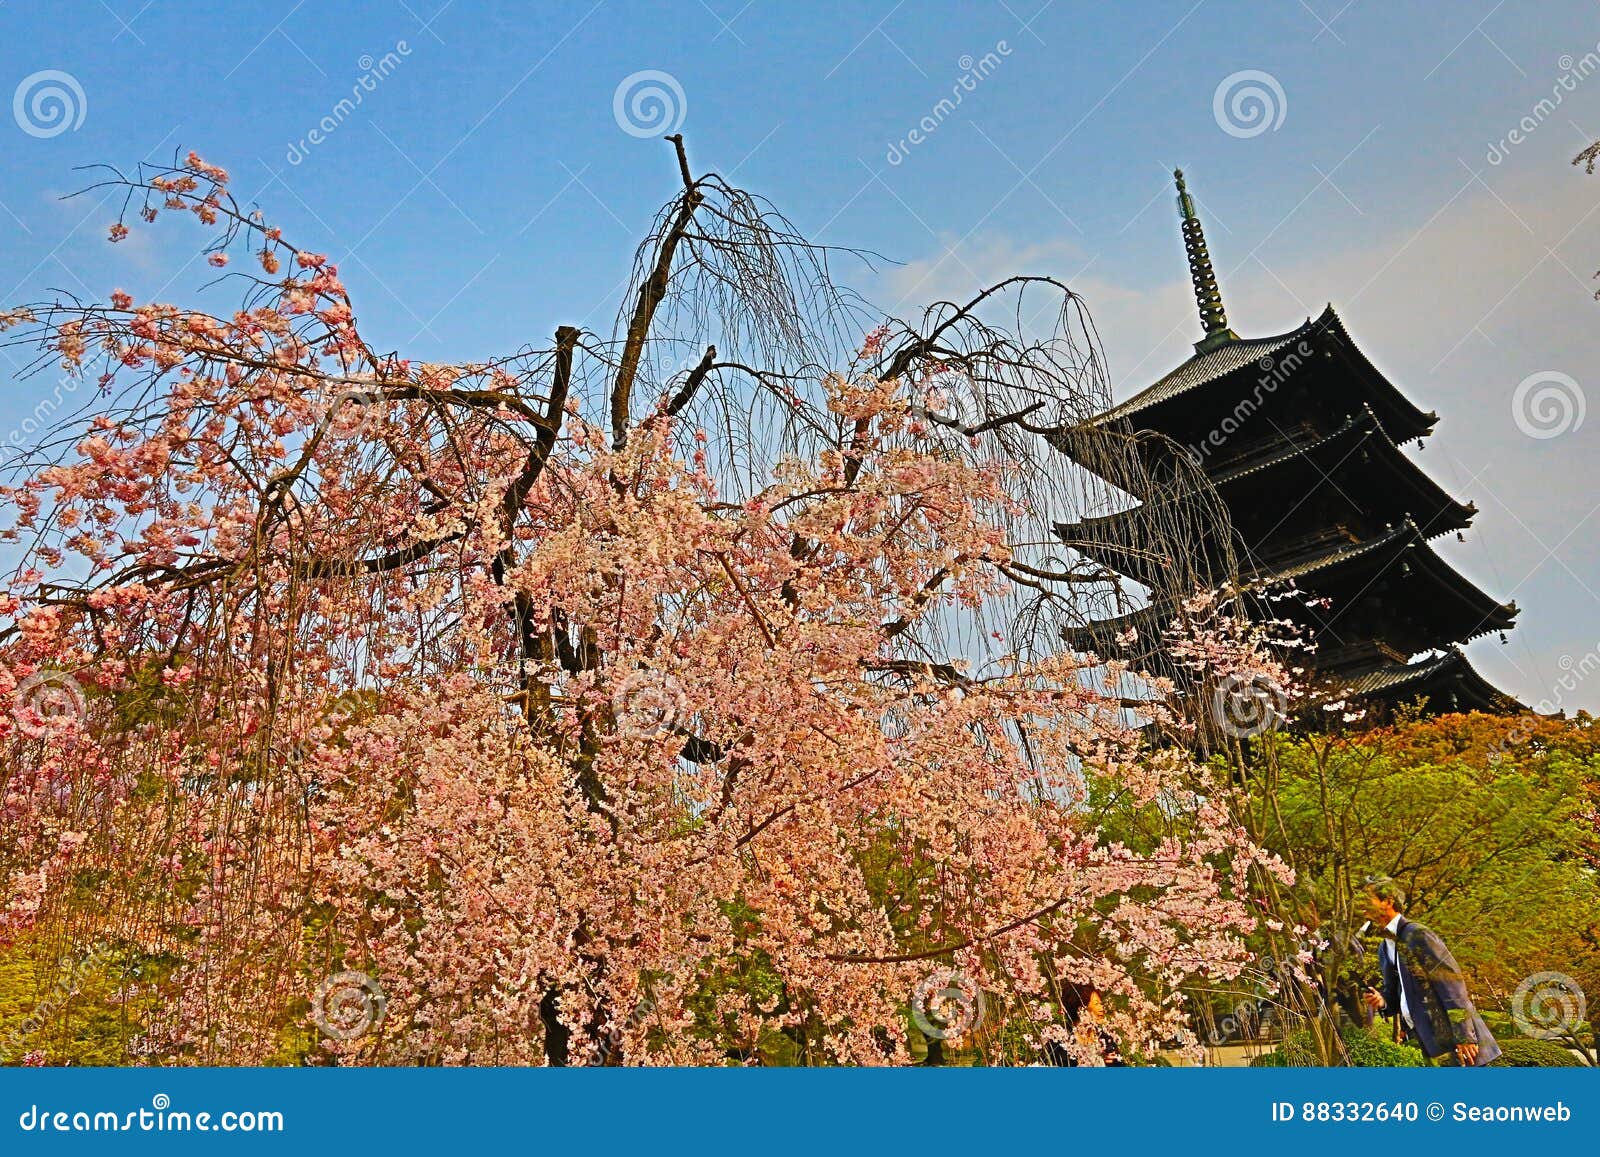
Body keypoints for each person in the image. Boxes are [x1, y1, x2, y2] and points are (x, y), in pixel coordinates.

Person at [1359, 875, 1500, 1066]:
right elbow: (1393, 994)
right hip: (1423, 1038)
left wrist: (1464, 1035)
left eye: (1368, 898)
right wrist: (1382, 1000)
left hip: (1452, 1039)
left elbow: (1452, 983)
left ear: (1388, 901)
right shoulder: (1384, 947)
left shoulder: (1417, 934)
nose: (1362, 903)